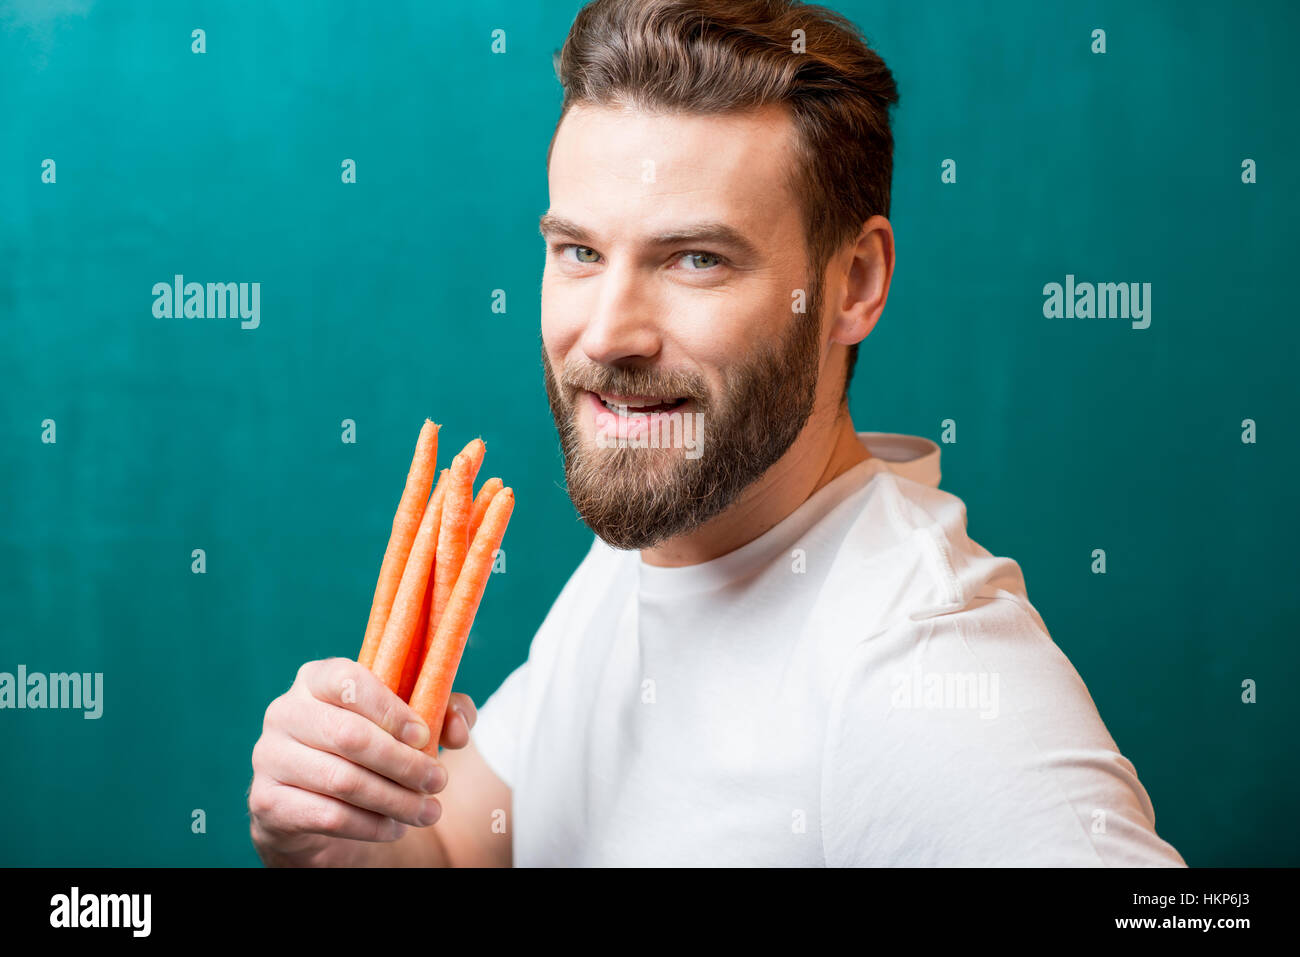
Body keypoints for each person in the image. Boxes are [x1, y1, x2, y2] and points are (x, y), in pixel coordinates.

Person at [248, 0, 1186, 867]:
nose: (610, 332)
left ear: (853, 283)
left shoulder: (923, 673)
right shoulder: (658, 536)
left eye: (695, 259)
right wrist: (340, 823)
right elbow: (466, 845)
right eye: (580, 251)